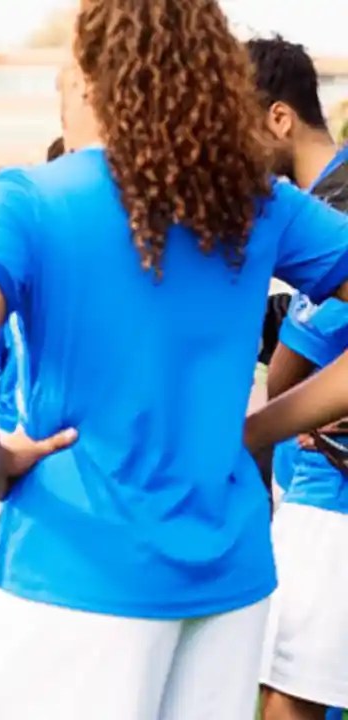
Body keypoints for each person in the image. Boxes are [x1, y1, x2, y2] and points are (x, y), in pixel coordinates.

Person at [0, 0, 348, 716]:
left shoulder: (30, 196)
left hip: (71, 566)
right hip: (227, 578)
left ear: (90, 77)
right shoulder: (260, 202)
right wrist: (258, 429)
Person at [246, 35, 348, 720]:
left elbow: (286, 376)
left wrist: (262, 423)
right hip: (307, 478)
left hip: (328, 488)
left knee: (290, 696)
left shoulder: (334, 205)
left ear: (279, 119)